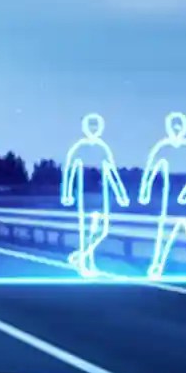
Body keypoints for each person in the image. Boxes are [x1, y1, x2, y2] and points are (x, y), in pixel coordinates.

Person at [138, 112, 186, 279]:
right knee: (164, 240)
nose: (176, 130)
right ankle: (157, 267)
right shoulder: (164, 149)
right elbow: (151, 172)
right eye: (174, 126)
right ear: (169, 128)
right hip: (170, 204)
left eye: (179, 126)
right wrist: (145, 191)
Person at [61, 113, 129, 276]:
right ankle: (87, 265)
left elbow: (112, 173)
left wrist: (121, 194)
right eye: (90, 126)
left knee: (102, 230)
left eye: (96, 126)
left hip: (101, 196)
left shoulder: (102, 148)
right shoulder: (79, 148)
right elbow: (69, 173)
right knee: (88, 232)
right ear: (86, 128)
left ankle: (80, 256)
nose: (93, 130)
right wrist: (67, 193)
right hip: (84, 196)